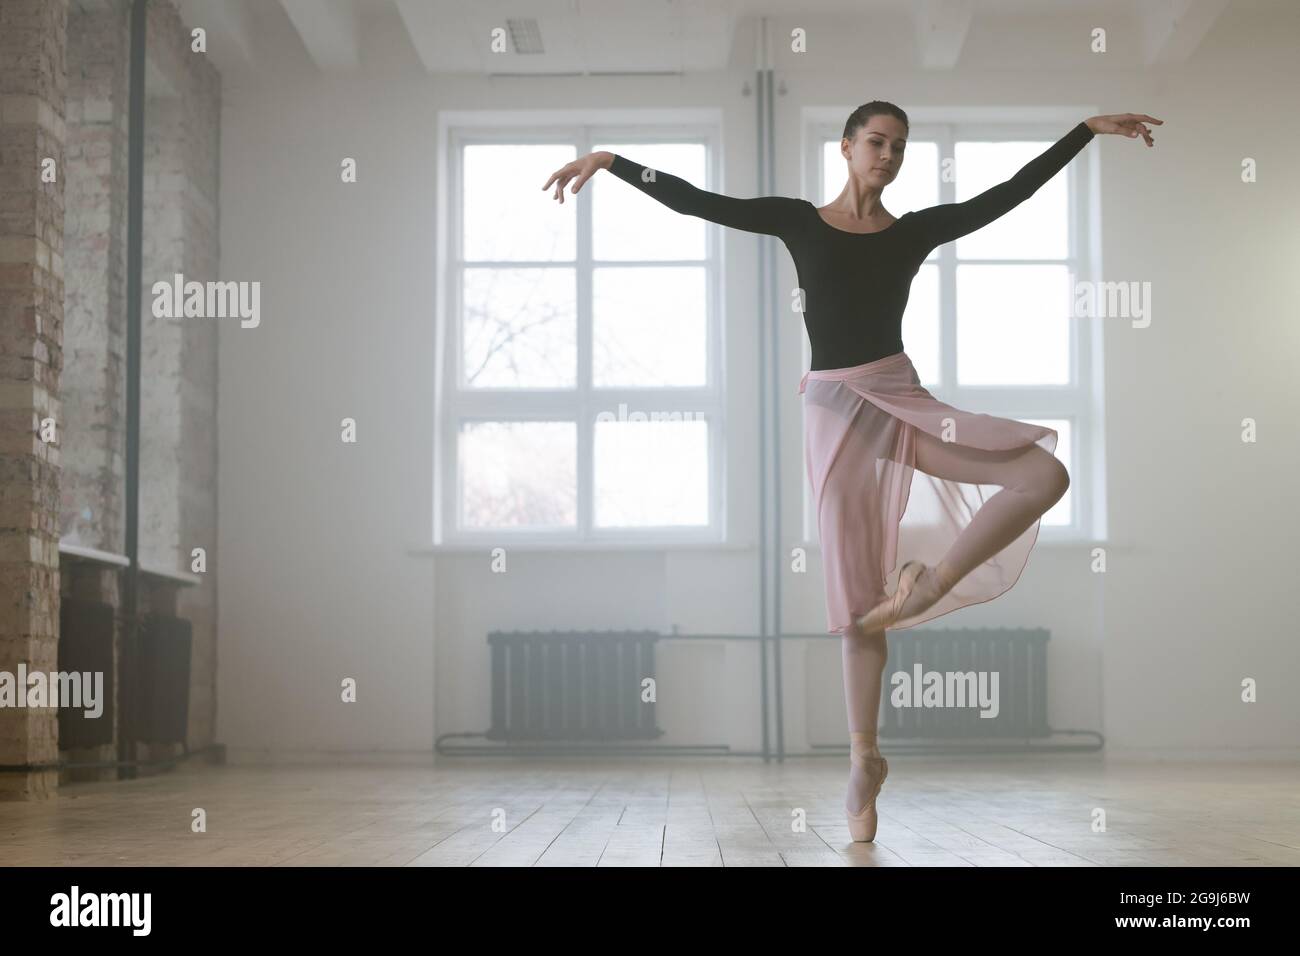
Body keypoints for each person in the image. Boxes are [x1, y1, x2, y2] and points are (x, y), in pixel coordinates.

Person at [543, 105, 1160, 842]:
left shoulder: (912, 232)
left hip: (898, 395)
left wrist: (1085, 133)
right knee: (857, 605)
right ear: (845, 147)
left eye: (899, 146)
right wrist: (613, 163)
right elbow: (701, 202)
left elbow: (1009, 194)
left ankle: (929, 584)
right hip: (835, 407)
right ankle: (864, 758)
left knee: (1042, 476)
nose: (888, 155)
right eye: (876, 142)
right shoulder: (799, 221)